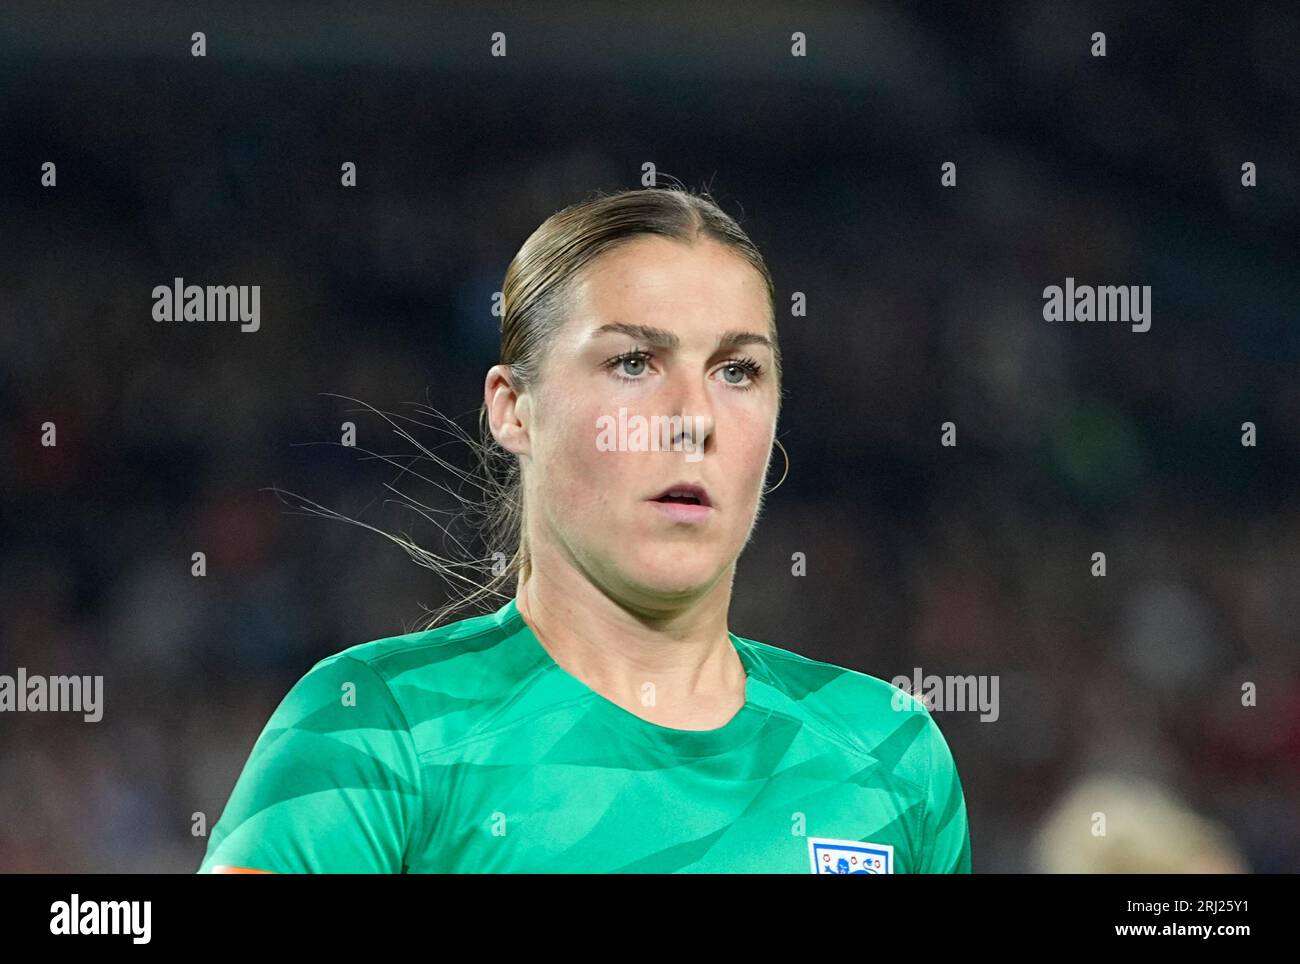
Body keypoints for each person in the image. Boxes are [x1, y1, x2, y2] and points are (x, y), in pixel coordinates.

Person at [198, 186, 972, 873]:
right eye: (635, 362)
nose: (694, 419)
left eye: (738, 371)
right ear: (514, 407)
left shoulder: (889, 754)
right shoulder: (378, 729)